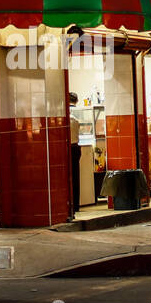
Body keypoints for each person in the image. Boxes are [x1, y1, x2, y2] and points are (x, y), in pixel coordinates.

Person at [68, 91, 81, 220]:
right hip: (76, 147)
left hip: (68, 148)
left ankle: (70, 204)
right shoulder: (76, 119)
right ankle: (76, 204)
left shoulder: (66, 119)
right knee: (76, 177)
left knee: (68, 177)